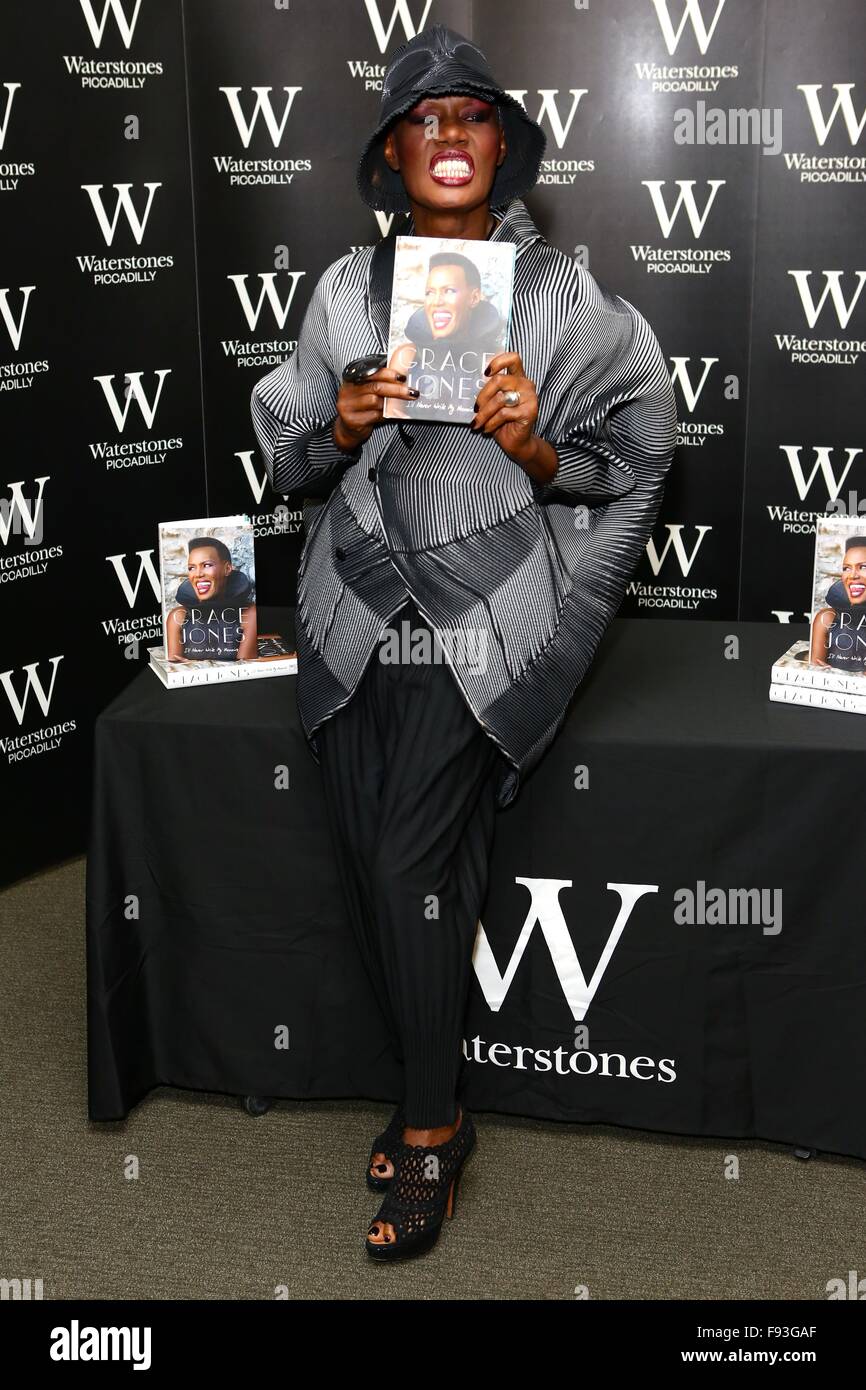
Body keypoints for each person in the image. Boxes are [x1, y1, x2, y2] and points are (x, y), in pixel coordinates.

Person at [250, 23, 677, 1261]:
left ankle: (431, 1134)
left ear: (502, 146)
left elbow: (635, 453)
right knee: (378, 861)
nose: (449, 135)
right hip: (352, 611)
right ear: (393, 150)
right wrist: (334, 423)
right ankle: (422, 1092)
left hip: (482, 615)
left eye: (472, 116)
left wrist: (536, 445)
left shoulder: (555, 295)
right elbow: (287, 455)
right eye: (425, 119)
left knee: (403, 868)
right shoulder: (343, 289)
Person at [166, 537, 257, 663]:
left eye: (207, 565)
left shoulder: (249, 613)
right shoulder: (177, 617)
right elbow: (175, 669)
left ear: (227, 569)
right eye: (192, 568)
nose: (198, 574)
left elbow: (245, 668)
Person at [809, 536, 866, 673]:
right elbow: (814, 672)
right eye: (846, 568)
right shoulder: (826, 619)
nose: (852, 575)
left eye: (863, 566)